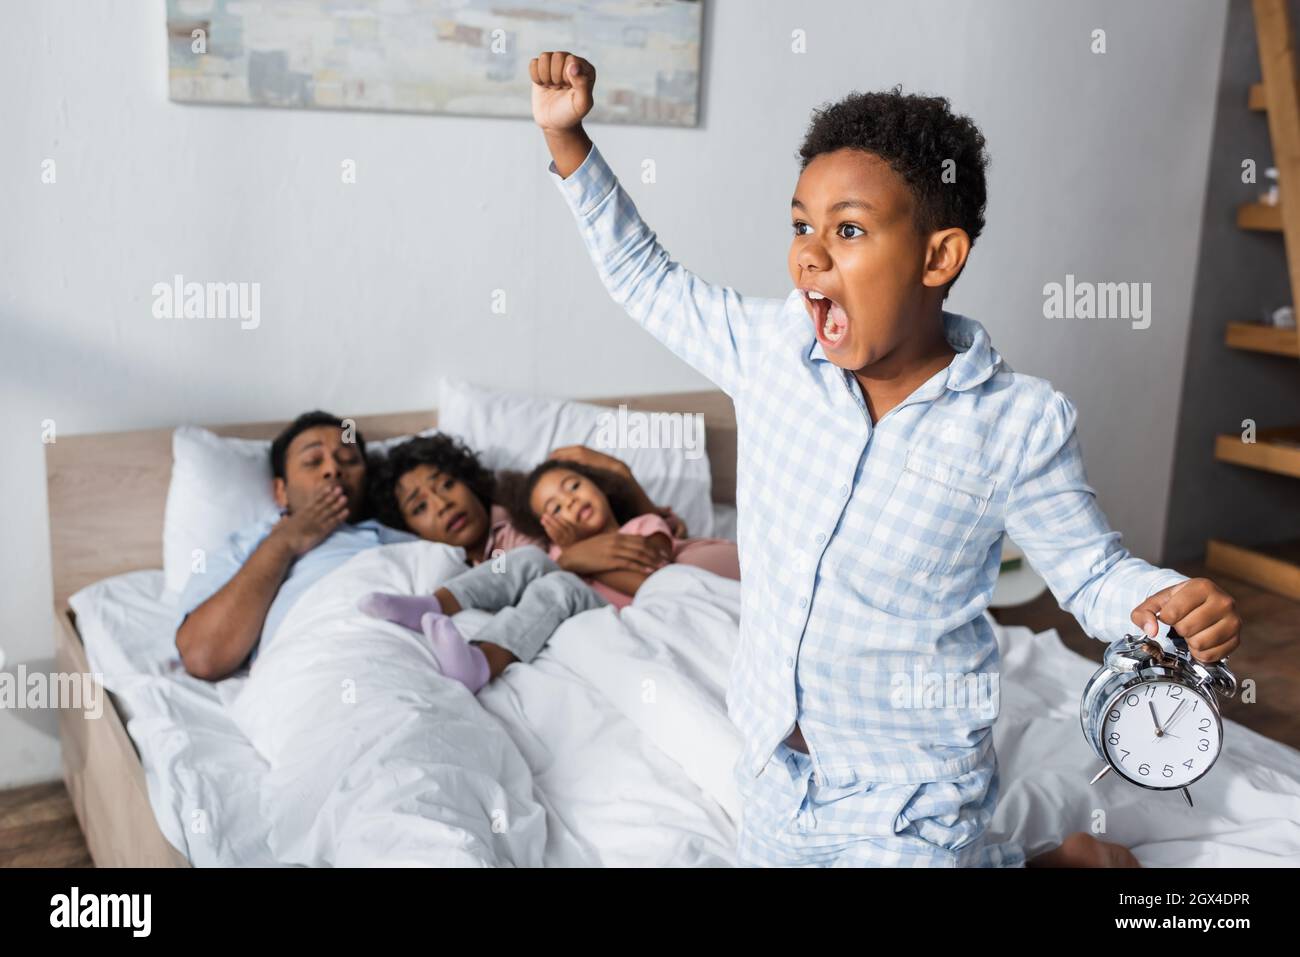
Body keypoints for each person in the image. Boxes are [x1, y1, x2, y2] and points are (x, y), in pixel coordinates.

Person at [527, 51, 1241, 867]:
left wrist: (1167, 601)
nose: (809, 255)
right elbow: (644, 277)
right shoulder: (772, 354)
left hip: (913, 794)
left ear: (939, 258)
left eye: (849, 229)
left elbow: (1091, 573)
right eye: (801, 225)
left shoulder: (1017, 423)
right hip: (775, 774)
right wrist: (568, 137)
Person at [175, 411, 414, 680]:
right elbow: (204, 656)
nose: (332, 470)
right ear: (281, 491)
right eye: (312, 461)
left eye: (348, 459)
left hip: (411, 658)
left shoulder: (402, 539)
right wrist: (283, 543)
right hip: (317, 668)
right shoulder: (243, 549)